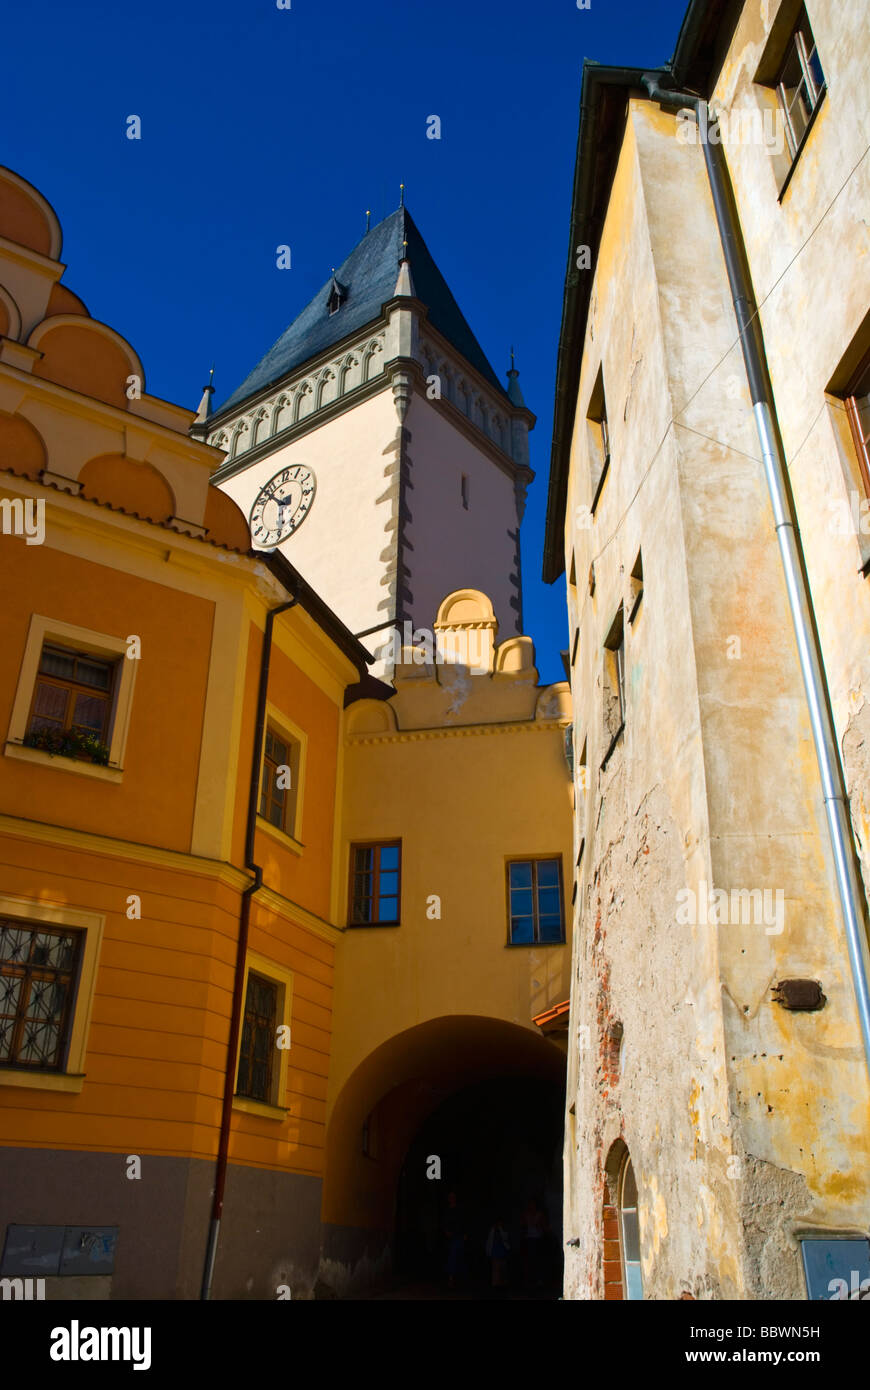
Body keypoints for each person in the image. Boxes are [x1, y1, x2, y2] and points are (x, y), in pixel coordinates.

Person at [443, 1190, 467, 1289]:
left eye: (453, 1196)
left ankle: (461, 1279)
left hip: (460, 1236)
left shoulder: (459, 1209)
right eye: (450, 1196)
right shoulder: (447, 1210)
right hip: (452, 1237)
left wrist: (465, 1233)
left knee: (461, 1257)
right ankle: (451, 1279)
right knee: (452, 1257)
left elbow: (463, 1221)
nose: (452, 1198)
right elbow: (444, 1223)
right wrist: (446, 1231)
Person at [486, 1215, 511, 1295]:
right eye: (498, 1223)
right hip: (495, 1253)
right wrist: (488, 1252)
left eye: (500, 1223)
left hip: (503, 1253)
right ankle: (495, 1288)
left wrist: (500, 1229)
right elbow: (489, 1241)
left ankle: (503, 1288)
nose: (498, 1224)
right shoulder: (492, 1230)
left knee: (503, 1271)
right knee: (495, 1271)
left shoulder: (504, 1230)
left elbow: (505, 1238)